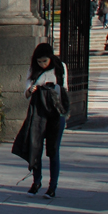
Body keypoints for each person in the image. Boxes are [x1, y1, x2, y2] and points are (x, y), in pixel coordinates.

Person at [13, 42, 67, 198]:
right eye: (39, 61)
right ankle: (36, 182)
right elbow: (26, 93)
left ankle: (52, 187)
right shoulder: (33, 70)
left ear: (50, 58)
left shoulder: (60, 67)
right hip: (38, 112)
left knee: (53, 150)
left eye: (45, 61)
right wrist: (32, 89)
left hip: (56, 113)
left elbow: (64, 90)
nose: (42, 64)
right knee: (35, 147)